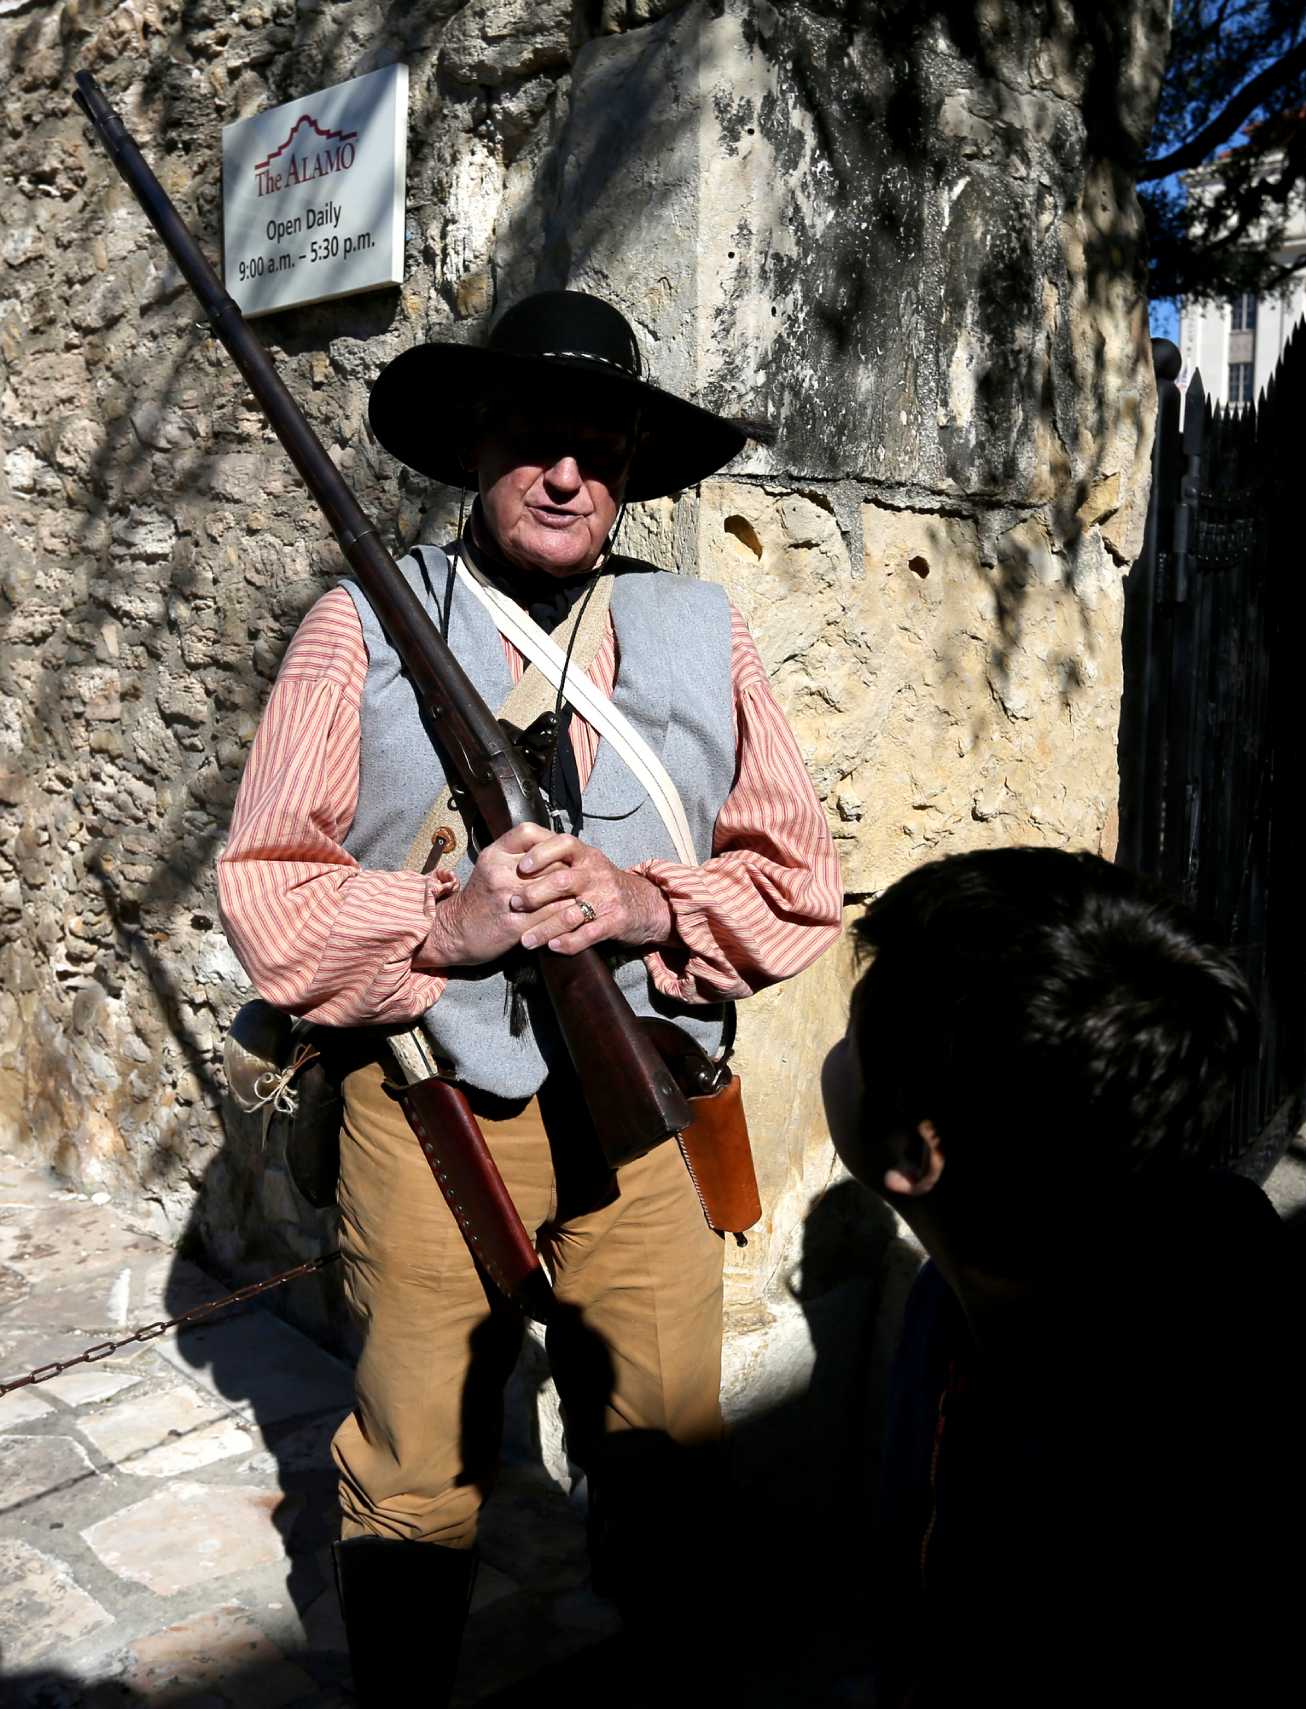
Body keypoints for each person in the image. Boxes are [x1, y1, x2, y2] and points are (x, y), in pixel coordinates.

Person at [217, 290, 841, 1699]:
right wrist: (441, 923)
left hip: (650, 1114)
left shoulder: (702, 626)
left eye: (599, 449)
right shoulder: (356, 626)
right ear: (472, 449)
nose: (566, 474)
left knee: (664, 1448)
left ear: (628, 472)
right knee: (415, 1470)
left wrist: (645, 903)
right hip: (430, 1111)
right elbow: (268, 889)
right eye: (533, 441)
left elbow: (799, 877)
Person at [820, 847, 1298, 1707]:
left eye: (853, 1040)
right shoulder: (963, 1294)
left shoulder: (1099, 1494)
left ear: (913, 1153)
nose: (838, 1054)